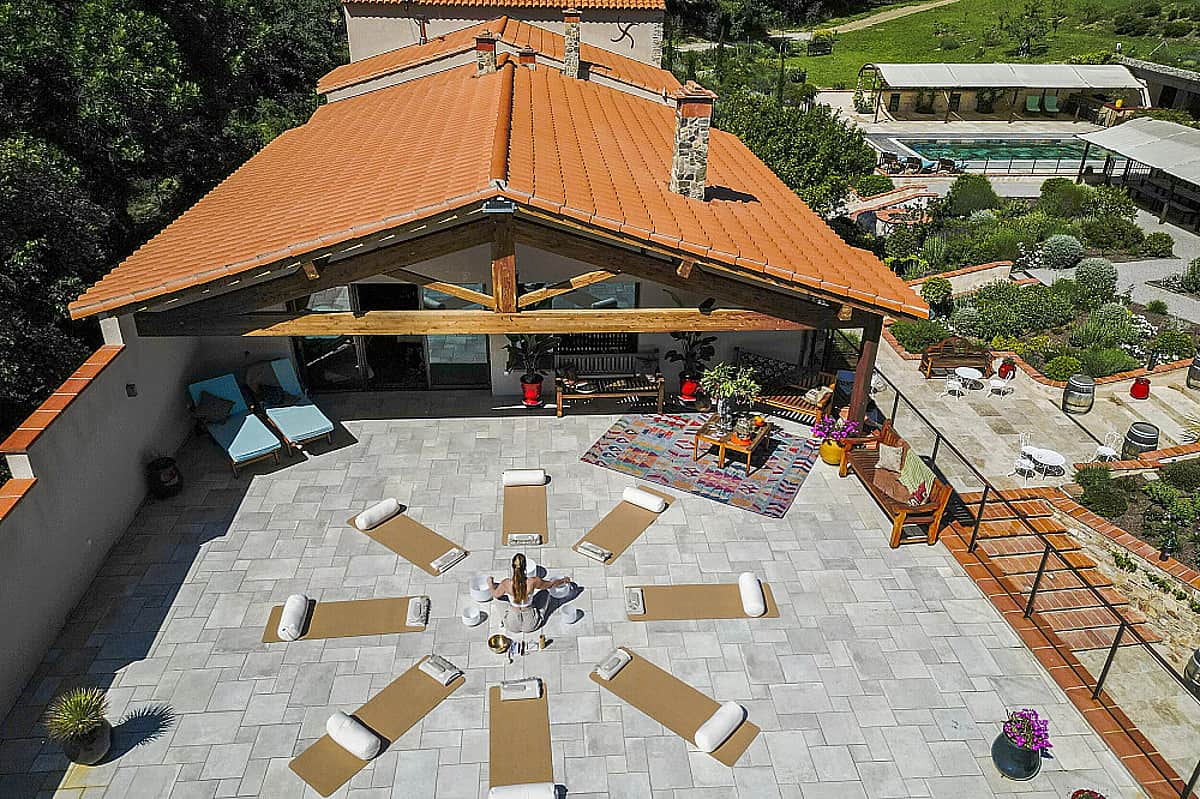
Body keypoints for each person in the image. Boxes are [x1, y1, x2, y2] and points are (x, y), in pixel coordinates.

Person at [489, 553, 571, 633]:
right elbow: (551, 585)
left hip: (511, 625)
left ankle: (504, 621)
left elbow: (495, 594)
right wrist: (563, 580)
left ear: (512, 567)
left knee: (498, 599)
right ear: (525, 567)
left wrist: (490, 584)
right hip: (531, 624)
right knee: (545, 592)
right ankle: (539, 615)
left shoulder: (506, 583)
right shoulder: (533, 581)